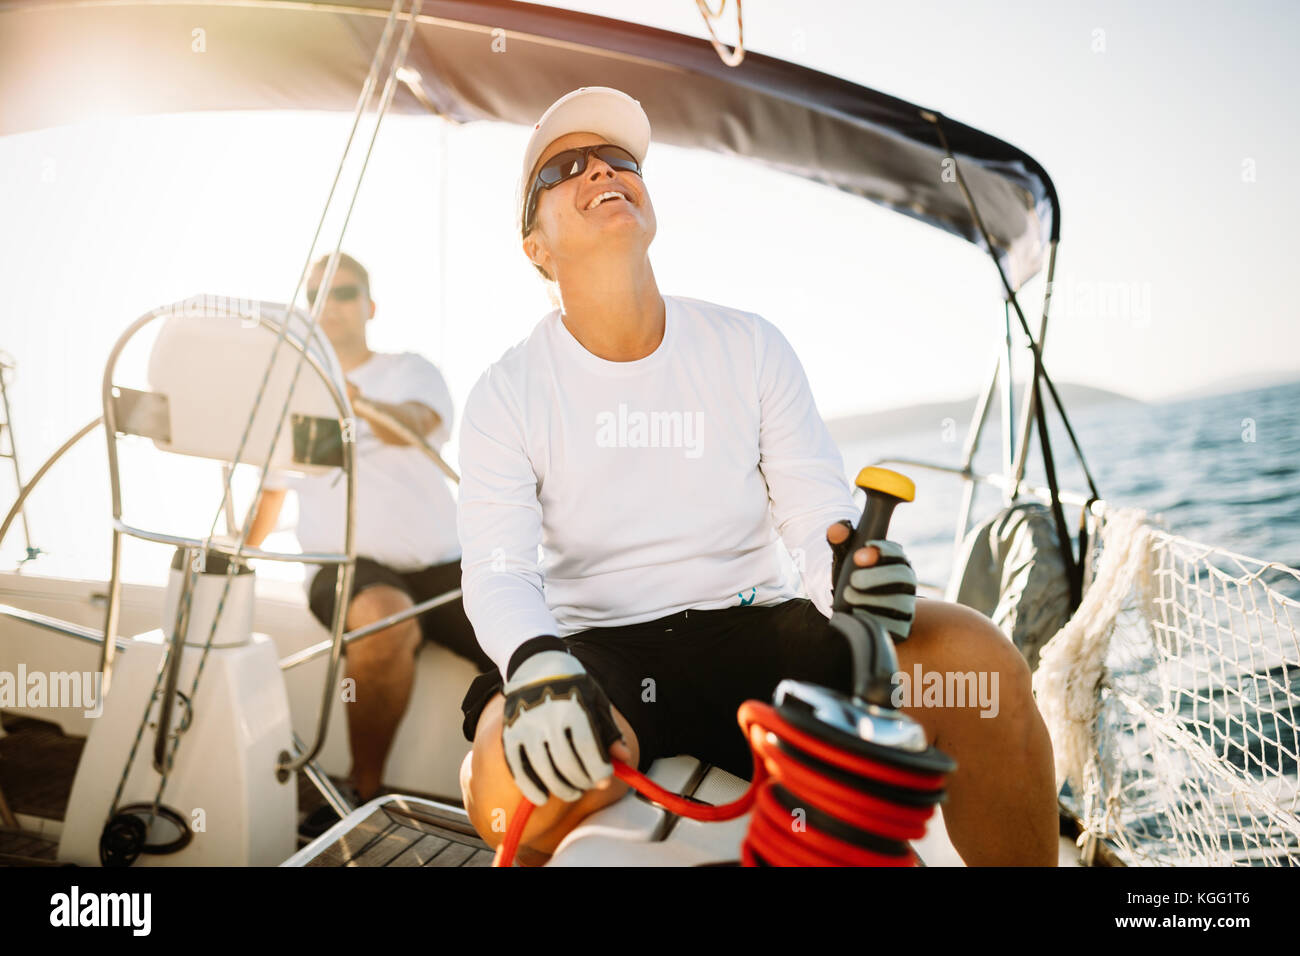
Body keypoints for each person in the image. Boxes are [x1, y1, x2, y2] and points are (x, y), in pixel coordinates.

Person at [455, 88, 1058, 866]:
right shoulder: (506, 392)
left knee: (981, 668)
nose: (601, 170)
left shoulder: (749, 345)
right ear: (536, 247)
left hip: (763, 633)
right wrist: (536, 659)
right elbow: (499, 571)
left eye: (620, 160)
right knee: (504, 789)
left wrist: (847, 572)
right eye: (564, 167)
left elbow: (816, 518)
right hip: (597, 654)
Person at [247, 252, 492, 834]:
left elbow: (416, 425)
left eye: (345, 291)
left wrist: (351, 400)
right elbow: (272, 494)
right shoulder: (291, 397)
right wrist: (235, 554)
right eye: (318, 295)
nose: (329, 305)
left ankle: (519, 803)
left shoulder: (411, 370)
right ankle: (363, 791)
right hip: (347, 568)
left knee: (528, 640)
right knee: (383, 620)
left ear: (370, 305)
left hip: (443, 566)